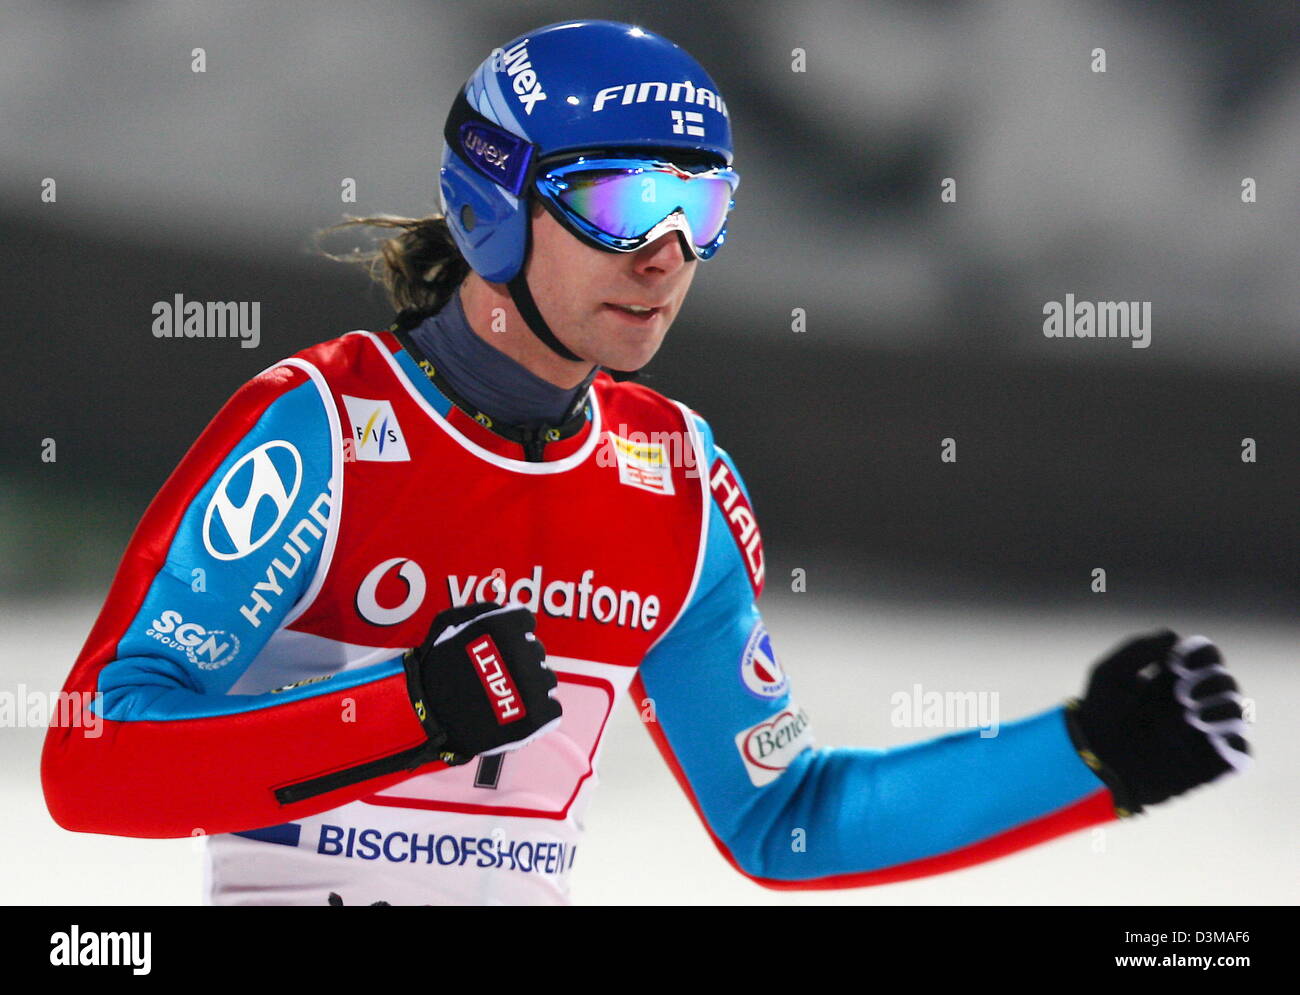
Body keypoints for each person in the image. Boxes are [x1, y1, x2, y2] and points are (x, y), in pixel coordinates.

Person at [41, 19, 1252, 906]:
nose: (669, 253)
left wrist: (1084, 756)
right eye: (625, 202)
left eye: (703, 205)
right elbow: (93, 761)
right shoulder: (322, 430)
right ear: (492, 211)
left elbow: (785, 818)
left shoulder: (671, 479)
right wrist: (405, 716)